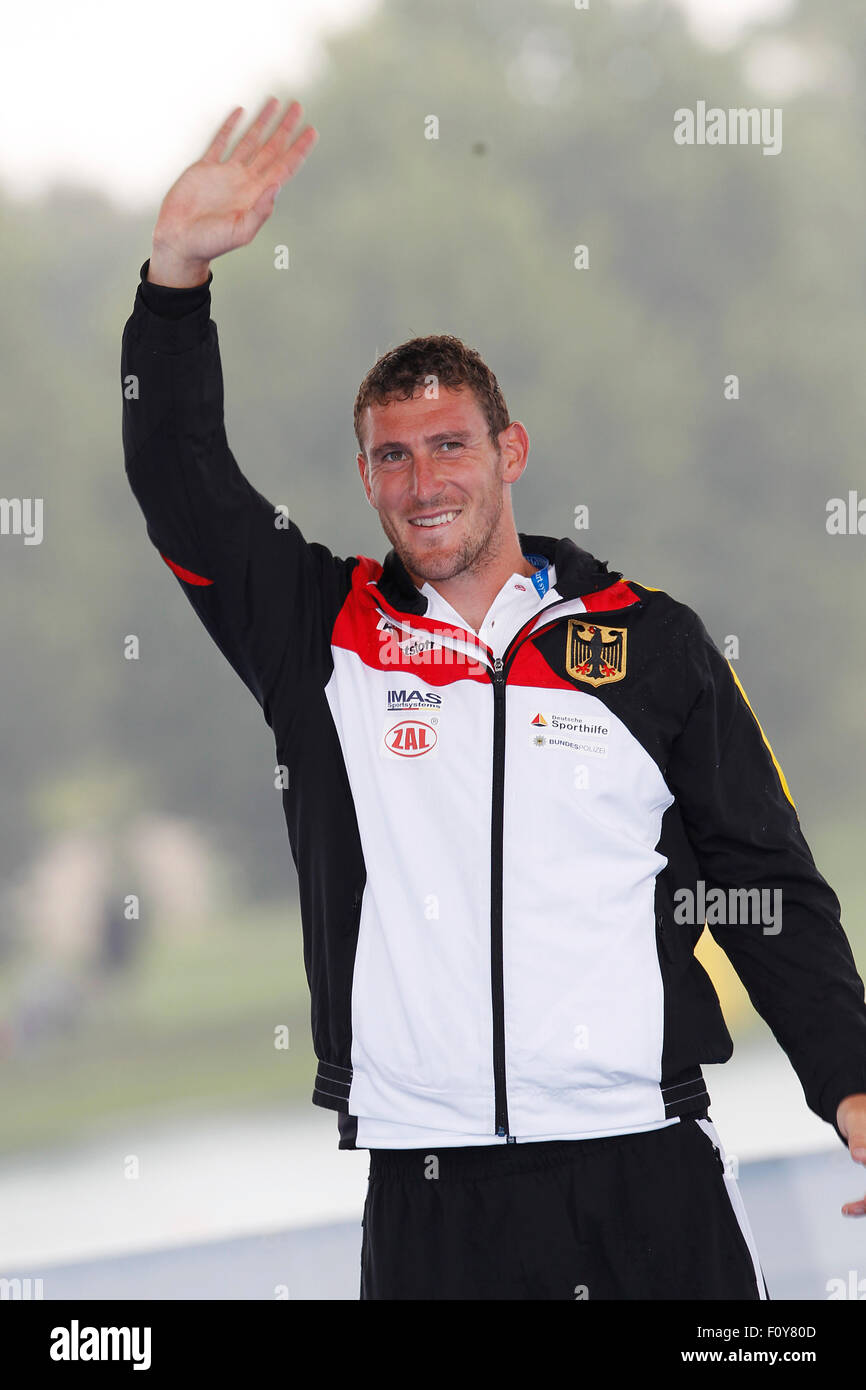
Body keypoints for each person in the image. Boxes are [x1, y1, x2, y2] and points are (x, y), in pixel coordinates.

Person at [120, 96, 866, 1300]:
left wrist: (849, 1078)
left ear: (507, 453)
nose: (425, 482)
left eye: (450, 446)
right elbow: (179, 481)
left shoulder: (651, 643)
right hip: (432, 1199)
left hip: (647, 1176)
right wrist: (174, 280)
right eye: (393, 456)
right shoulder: (319, 633)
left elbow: (762, 884)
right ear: (365, 474)